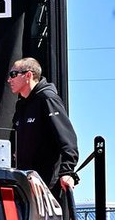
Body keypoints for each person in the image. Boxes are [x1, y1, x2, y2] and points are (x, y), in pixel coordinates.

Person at [9, 57, 79, 198]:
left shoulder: (47, 98)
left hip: (47, 187)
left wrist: (67, 172)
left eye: (13, 75)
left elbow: (68, 139)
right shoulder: (21, 105)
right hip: (25, 184)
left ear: (28, 75)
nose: (9, 80)